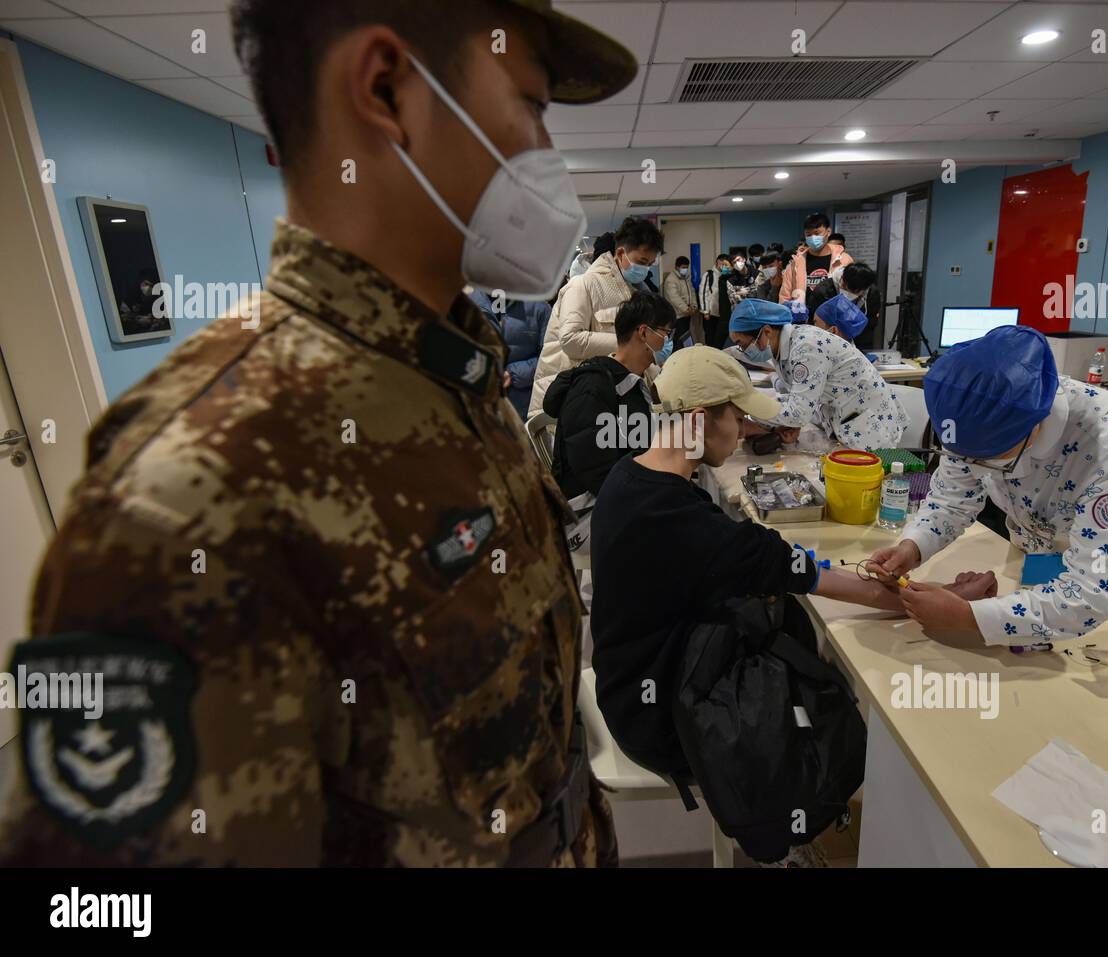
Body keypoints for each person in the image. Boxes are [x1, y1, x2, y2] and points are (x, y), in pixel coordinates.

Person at [0, 0, 637, 868]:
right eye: (530, 105)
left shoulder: (459, 378)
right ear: (385, 89)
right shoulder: (187, 489)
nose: (544, 153)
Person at [589, 345, 997, 819]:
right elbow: (827, 581)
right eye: (738, 419)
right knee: (829, 694)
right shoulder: (689, 523)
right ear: (699, 421)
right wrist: (948, 599)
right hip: (661, 721)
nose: (744, 430)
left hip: (625, 688)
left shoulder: (628, 476)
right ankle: (809, 820)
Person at [871, 325, 1108, 647]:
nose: (971, 464)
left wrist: (971, 619)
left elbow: (1093, 590)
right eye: (961, 454)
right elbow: (951, 500)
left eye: (988, 457)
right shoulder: (973, 420)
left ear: (1037, 424)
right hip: (1040, 568)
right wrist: (913, 546)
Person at [729, 299, 907, 451]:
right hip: (846, 420)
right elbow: (800, 399)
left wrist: (747, 405)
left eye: (743, 345)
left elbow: (798, 412)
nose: (744, 351)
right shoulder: (783, 349)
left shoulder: (806, 348)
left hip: (870, 427)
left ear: (767, 332)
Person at [543, 292, 672, 500]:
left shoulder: (633, 380)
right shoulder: (593, 387)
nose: (668, 342)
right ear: (643, 333)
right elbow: (596, 473)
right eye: (666, 333)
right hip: (594, 508)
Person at [530, 215, 664, 416]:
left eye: (650, 263)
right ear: (620, 253)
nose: (645, 269)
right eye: (641, 261)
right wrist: (628, 344)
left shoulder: (632, 293)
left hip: (602, 398)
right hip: (567, 401)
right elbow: (570, 339)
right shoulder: (582, 284)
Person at [467, 288, 550, 419]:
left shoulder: (538, 308)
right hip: (482, 410)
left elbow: (550, 359)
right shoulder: (466, 308)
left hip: (527, 407)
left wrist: (512, 374)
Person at [780, 213, 853, 307]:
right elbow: (785, 296)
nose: (813, 238)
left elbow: (853, 292)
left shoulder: (844, 260)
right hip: (802, 318)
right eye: (808, 234)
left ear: (828, 231)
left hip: (834, 318)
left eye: (817, 233)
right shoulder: (796, 263)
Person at [661, 254, 699, 348]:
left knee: (685, 338)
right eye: (683, 267)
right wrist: (686, 309)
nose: (685, 269)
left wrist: (694, 306)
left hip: (686, 314)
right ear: (677, 267)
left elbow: (692, 292)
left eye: (686, 267)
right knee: (677, 339)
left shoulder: (686, 278)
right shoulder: (671, 279)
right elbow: (674, 297)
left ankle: (684, 356)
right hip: (677, 315)